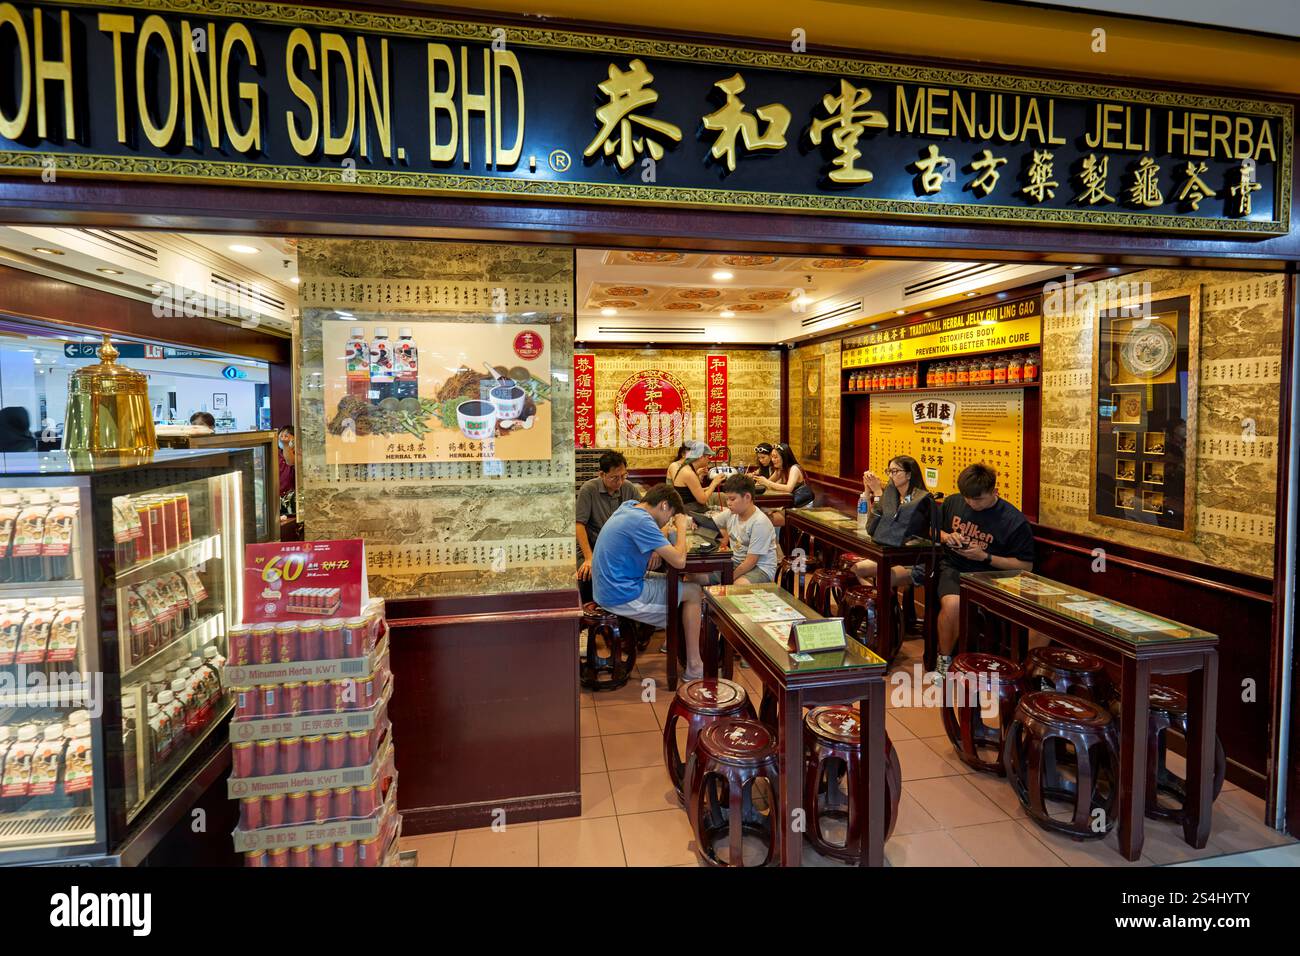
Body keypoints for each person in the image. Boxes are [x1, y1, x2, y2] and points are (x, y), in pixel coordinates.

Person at [933, 463, 1035, 685]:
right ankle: (944, 659)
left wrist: (985, 557)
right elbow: (932, 529)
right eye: (967, 498)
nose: (971, 503)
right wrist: (947, 537)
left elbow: (1025, 566)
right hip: (955, 567)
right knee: (952, 605)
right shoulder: (953, 502)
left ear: (995, 492)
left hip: (993, 577)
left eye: (978, 499)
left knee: (1038, 617)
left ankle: (1026, 676)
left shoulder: (1013, 521)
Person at [592, 484, 706, 680]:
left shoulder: (630, 507)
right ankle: (695, 665)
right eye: (669, 515)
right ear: (664, 505)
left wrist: (658, 542)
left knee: (680, 585)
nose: (667, 521)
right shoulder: (641, 521)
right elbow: (679, 560)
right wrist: (681, 527)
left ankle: (673, 643)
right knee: (694, 591)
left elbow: (653, 533)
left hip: (607, 586)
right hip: (621, 594)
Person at [851, 455, 934, 589]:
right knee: (855, 569)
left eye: (895, 471)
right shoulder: (892, 496)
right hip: (890, 554)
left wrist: (878, 492)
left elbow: (896, 528)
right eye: (889, 471)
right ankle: (875, 604)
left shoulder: (919, 500)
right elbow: (871, 526)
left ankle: (881, 605)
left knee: (883, 579)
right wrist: (868, 491)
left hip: (914, 560)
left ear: (908, 475)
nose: (890, 476)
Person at [575, 451, 639, 604]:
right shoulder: (589, 489)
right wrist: (589, 557)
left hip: (620, 548)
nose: (620, 482)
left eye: (623, 476)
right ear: (602, 474)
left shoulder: (629, 488)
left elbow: (644, 516)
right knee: (587, 573)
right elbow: (579, 525)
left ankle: (626, 617)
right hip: (593, 547)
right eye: (614, 477)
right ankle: (589, 616)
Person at [713, 474, 779, 585]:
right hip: (735, 563)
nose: (728, 503)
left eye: (732, 499)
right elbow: (710, 523)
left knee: (738, 586)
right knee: (700, 576)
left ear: (747, 497)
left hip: (760, 568)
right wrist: (694, 522)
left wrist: (727, 579)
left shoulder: (759, 523)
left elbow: (751, 561)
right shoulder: (731, 513)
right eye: (727, 498)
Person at [666, 439, 723, 530]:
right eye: (707, 456)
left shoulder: (685, 468)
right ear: (700, 457)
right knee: (726, 517)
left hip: (686, 509)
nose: (709, 459)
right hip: (691, 513)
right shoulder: (688, 473)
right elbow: (703, 500)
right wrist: (714, 483)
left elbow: (686, 491)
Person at [753, 442, 811, 506]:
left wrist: (767, 482)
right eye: (772, 457)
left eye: (775, 457)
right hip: (790, 502)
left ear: (784, 457)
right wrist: (759, 482)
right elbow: (768, 482)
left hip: (802, 504)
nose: (773, 460)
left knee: (771, 513)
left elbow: (788, 488)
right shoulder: (780, 469)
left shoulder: (794, 468)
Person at [278, 425, 297, 519]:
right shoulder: (276, 454)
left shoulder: (298, 453)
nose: (283, 439)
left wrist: (286, 445)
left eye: (286, 436)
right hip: (277, 502)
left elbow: (291, 462)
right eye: (281, 437)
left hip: (292, 502)